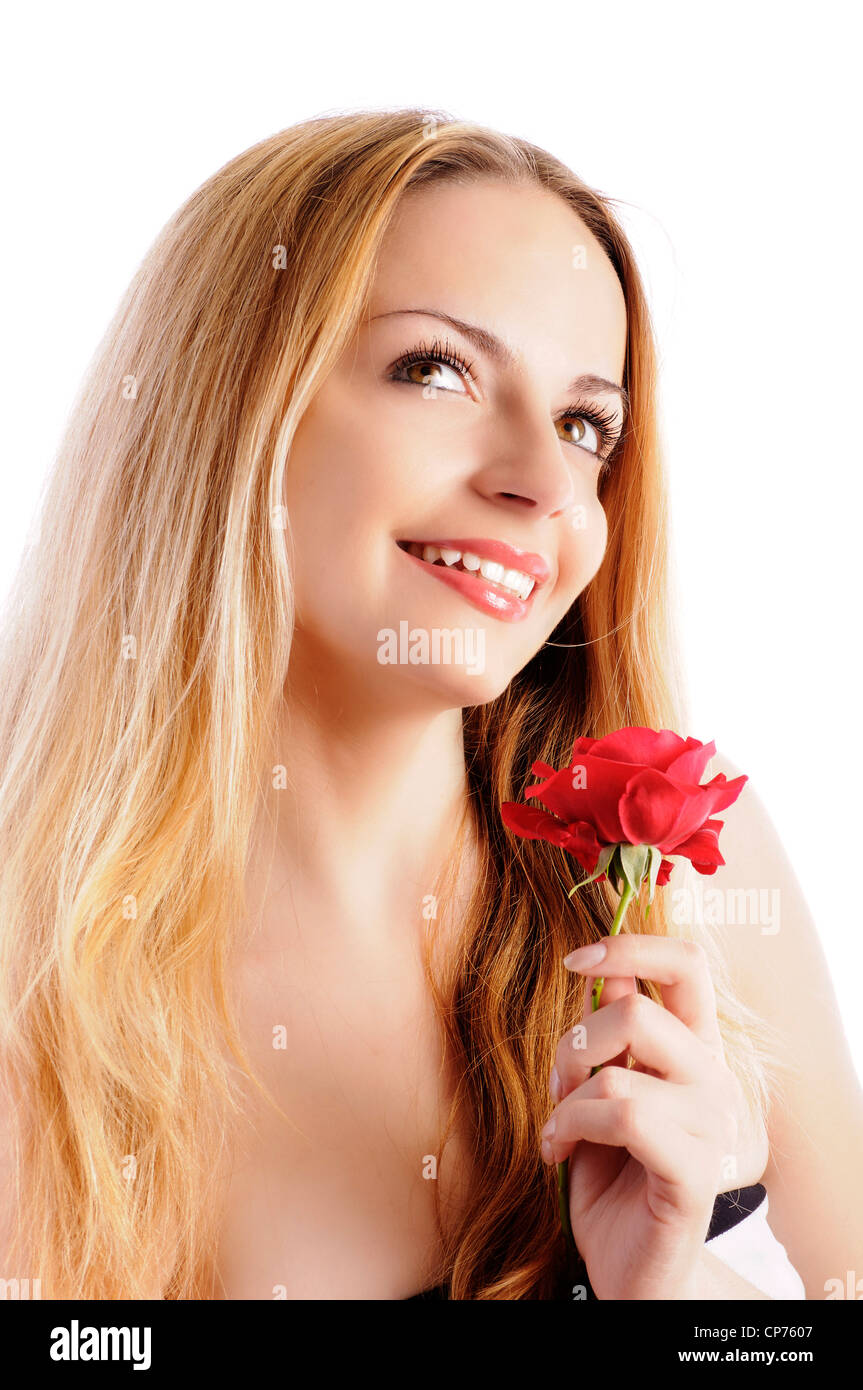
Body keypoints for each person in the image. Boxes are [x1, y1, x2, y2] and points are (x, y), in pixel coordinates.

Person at [0, 108, 859, 1301]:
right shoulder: (23, 914)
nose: (545, 481)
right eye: (435, 369)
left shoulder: (671, 864)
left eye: (583, 424)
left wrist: (676, 1290)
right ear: (231, 403)